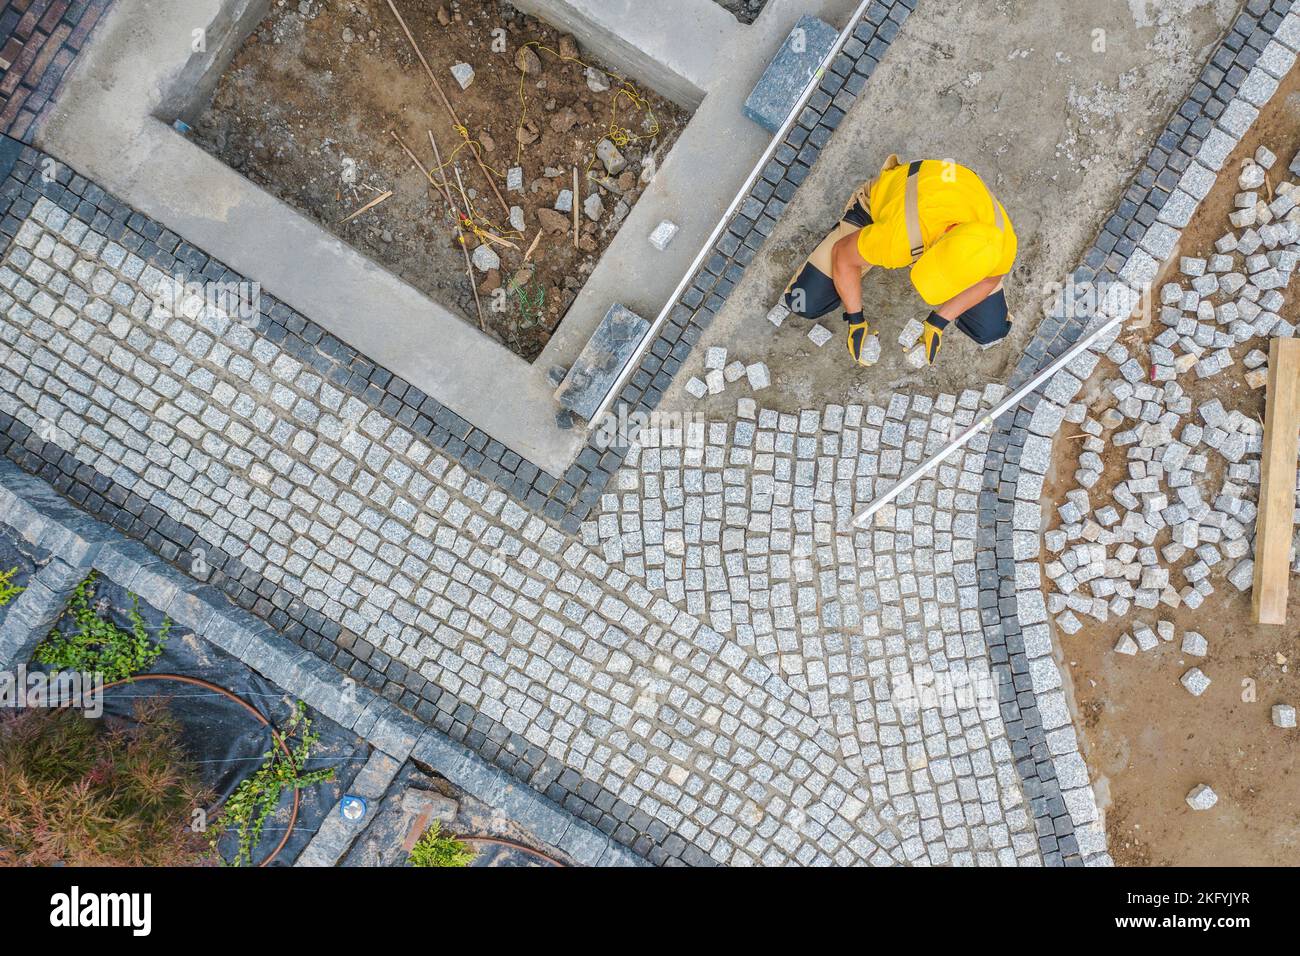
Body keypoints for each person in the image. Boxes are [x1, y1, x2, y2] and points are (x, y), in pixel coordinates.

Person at [783, 155, 1017, 366]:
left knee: (991, 329)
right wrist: (856, 320)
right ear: (934, 247)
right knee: (802, 302)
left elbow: (988, 281)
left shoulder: (1001, 244)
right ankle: (858, 226)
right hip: (887, 204)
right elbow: (843, 255)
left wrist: (938, 322)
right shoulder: (899, 240)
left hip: (950, 195)